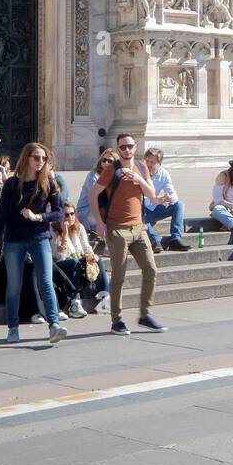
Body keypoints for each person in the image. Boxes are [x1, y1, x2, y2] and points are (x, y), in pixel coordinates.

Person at [0, 143, 68, 344]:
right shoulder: (12, 184)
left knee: (46, 282)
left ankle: (54, 325)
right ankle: (13, 328)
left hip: (40, 238)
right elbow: (2, 215)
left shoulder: (49, 182)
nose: (41, 162)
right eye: (36, 158)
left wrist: (38, 217)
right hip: (15, 240)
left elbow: (59, 212)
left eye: (43, 158)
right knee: (14, 285)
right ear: (27, 159)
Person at [89, 132, 165, 335]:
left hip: (139, 229)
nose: (127, 150)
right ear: (118, 148)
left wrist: (138, 178)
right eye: (122, 147)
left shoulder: (141, 167)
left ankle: (145, 315)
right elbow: (93, 194)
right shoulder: (111, 170)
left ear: (135, 147)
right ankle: (117, 321)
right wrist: (99, 222)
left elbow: (151, 194)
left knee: (151, 270)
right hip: (117, 230)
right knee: (119, 277)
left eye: (130, 146)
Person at [52, 202, 110, 317]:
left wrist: (91, 256)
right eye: (66, 215)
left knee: (98, 260)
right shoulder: (52, 231)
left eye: (72, 214)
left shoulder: (79, 227)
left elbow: (87, 248)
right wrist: (64, 233)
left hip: (78, 263)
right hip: (59, 266)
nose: (70, 217)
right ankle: (75, 303)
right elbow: (61, 257)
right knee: (73, 262)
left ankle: (105, 299)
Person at [142, 148, 190, 251]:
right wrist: (156, 200)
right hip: (140, 211)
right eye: (147, 161)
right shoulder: (139, 172)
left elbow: (172, 193)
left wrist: (169, 198)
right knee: (138, 208)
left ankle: (175, 239)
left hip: (154, 209)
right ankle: (154, 240)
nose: (149, 164)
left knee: (179, 204)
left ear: (159, 163)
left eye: (152, 162)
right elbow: (138, 198)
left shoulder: (164, 173)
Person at [76, 149, 117, 233]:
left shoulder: (117, 175)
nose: (106, 163)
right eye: (104, 160)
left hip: (102, 209)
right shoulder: (93, 175)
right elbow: (98, 198)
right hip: (87, 211)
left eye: (110, 161)